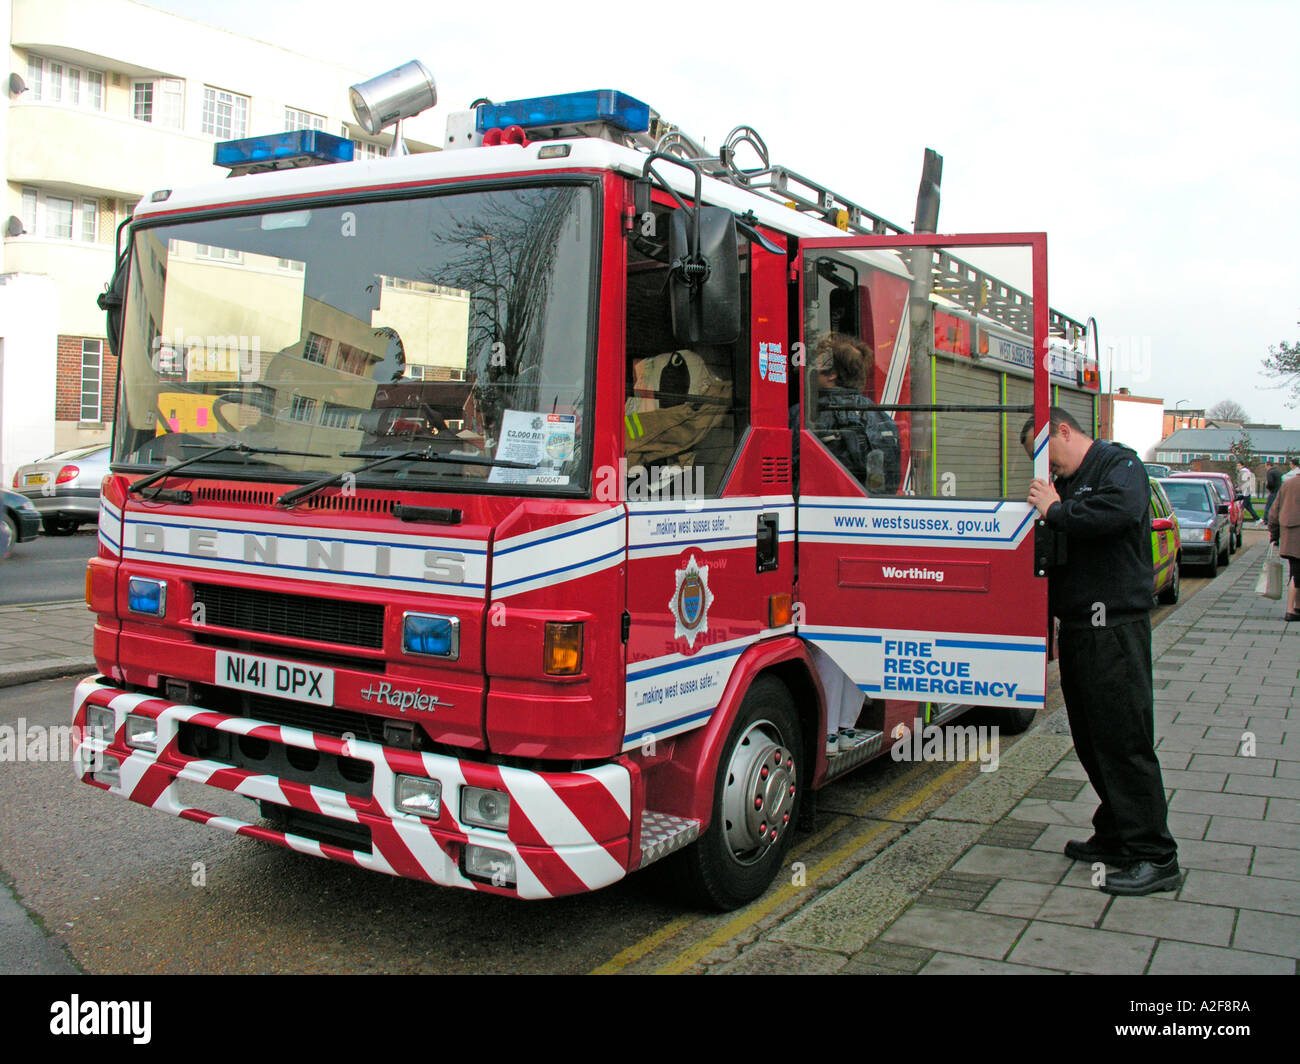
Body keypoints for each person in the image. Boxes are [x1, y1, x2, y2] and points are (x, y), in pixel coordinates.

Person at [1023, 408, 1180, 895]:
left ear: (1064, 432)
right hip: (1078, 629)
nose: (1044, 469)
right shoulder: (1066, 483)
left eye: (1044, 454)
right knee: (1092, 740)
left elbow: (1116, 514)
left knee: (1124, 741)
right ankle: (1115, 831)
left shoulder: (1120, 465)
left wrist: (1055, 510)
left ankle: (1155, 855)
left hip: (1114, 628)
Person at [810, 332, 901, 495]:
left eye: (817, 366)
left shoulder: (807, 414)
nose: (810, 371)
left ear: (832, 374)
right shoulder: (883, 419)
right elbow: (890, 483)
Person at [1267, 471, 1300, 621]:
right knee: (1297, 574)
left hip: (1290, 535)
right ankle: (1291, 609)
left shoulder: (1288, 484)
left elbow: (1274, 513)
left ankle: (1295, 607)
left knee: (1295, 570)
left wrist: (1274, 535)